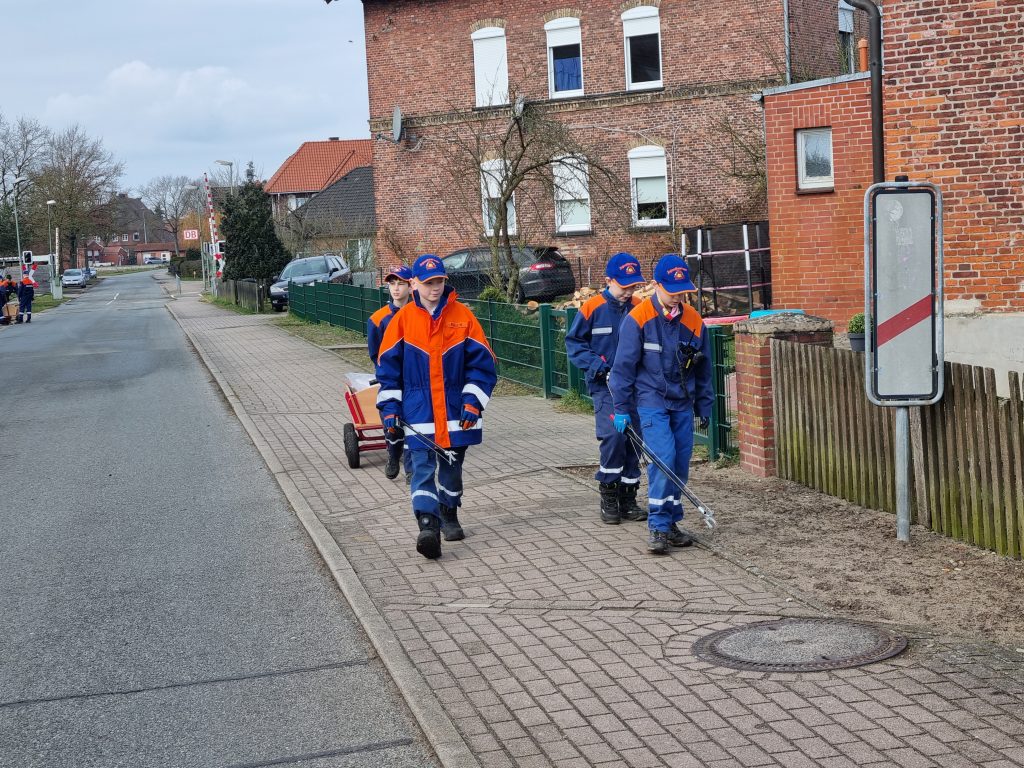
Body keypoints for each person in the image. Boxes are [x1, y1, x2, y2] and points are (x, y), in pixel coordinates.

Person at [375, 254, 497, 560]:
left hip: (456, 413)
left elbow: (483, 366)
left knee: (452, 471)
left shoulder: (463, 316)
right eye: (429, 282)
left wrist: (473, 402)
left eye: (440, 281)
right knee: (422, 469)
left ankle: (449, 511)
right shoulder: (402, 320)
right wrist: (390, 409)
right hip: (418, 413)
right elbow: (387, 370)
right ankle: (428, 526)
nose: (435, 287)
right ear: (415, 283)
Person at [610, 254, 714, 555]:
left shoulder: (694, 321)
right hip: (650, 401)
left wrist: (704, 406)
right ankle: (657, 526)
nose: (678, 297)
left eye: (683, 292)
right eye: (672, 291)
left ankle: (671, 522)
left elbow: (704, 369)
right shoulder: (639, 319)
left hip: (682, 402)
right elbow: (623, 368)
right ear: (656, 285)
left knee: (680, 464)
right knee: (663, 459)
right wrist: (621, 408)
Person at [565, 252, 647, 525]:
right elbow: (575, 344)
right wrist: (598, 366)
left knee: (635, 440)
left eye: (633, 286)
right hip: (605, 387)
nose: (629, 291)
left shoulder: (639, 307)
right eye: (624, 286)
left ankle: (628, 497)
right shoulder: (592, 307)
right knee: (614, 436)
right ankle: (609, 494)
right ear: (609, 280)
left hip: (635, 387)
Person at [367, 264, 414, 481]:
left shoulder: (419, 315)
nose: (396, 288)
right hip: (391, 380)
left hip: (415, 380)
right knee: (392, 423)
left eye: (401, 284)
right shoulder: (378, 319)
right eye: (392, 284)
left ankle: (412, 469)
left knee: (413, 423)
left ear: (410, 286)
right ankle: (393, 455)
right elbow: (375, 353)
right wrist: (386, 373)